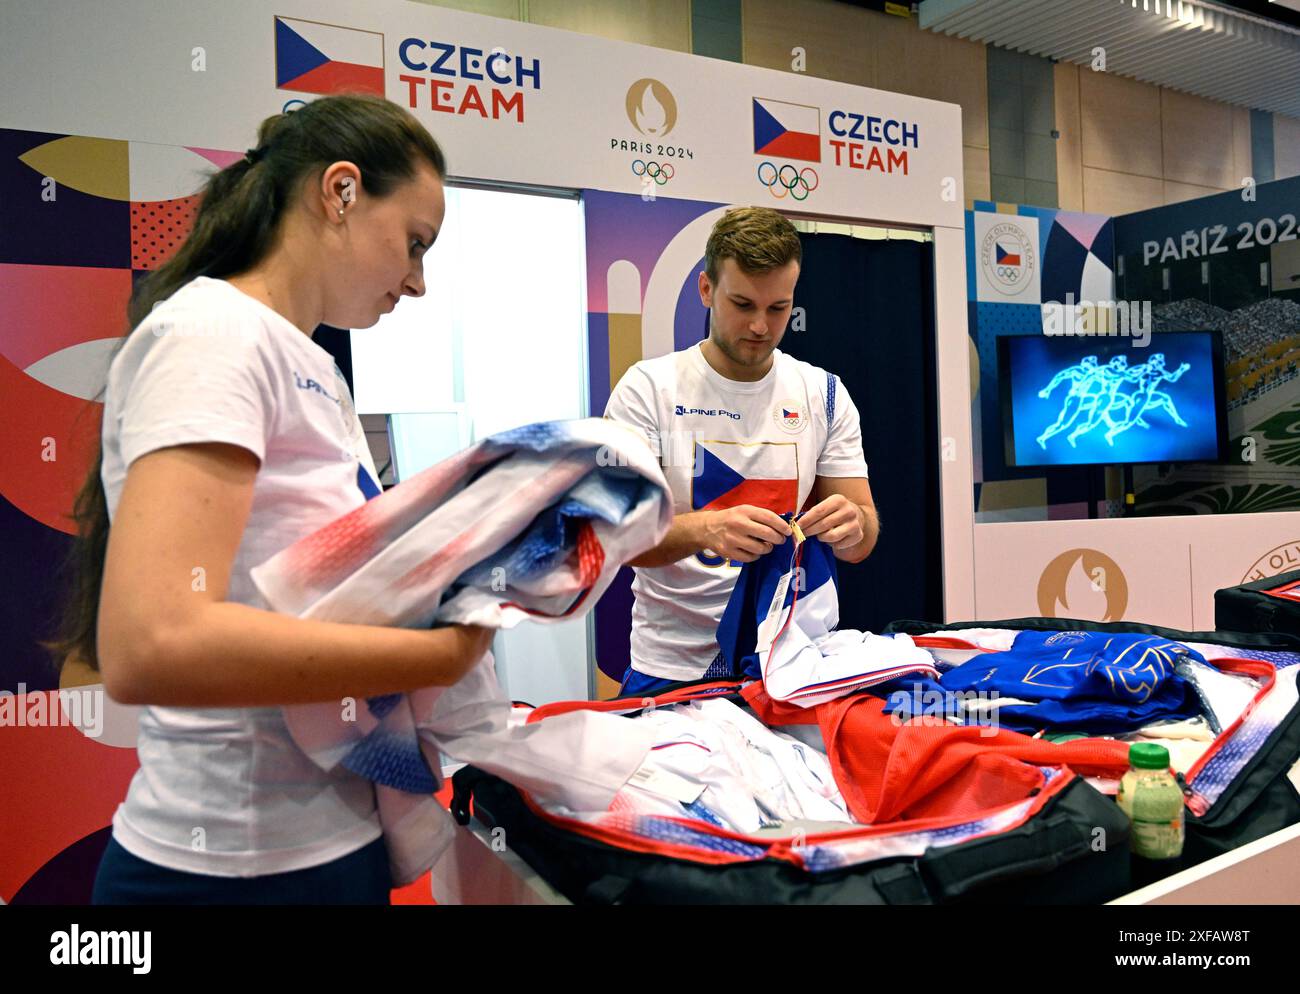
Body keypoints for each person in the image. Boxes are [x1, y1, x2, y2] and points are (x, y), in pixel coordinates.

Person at [44, 94, 493, 905]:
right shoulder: (215, 336)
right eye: (415, 244)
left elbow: (308, 593)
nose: (419, 282)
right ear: (342, 192)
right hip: (228, 871)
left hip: (333, 841)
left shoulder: (312, 365)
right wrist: (443, 652)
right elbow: (154, 643)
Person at [604, 206, 878, 695]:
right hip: (671, 666)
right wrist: (708, 527)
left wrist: (852, 526)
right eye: (743, 304)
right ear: (706, 290)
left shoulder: (824, 393)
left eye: (777, 308)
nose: (760, 326)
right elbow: (616, 539)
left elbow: (862, 542)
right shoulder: (648, 389)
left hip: (789, 661)